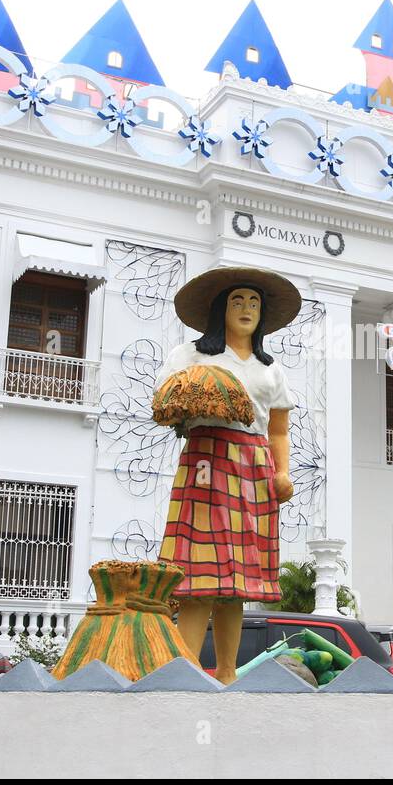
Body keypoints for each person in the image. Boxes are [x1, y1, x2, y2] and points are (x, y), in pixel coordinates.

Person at [155, 266, 301, 684]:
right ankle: (180, 670)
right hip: (207, 456)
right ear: (222, 308)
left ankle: (227, 672)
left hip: (254, 465)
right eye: (237, 301)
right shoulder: (192, 355)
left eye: (254, 303)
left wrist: (283, 472)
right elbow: (165, 399)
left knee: (236, 581)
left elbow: (278, 430)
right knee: (202, 575)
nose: (246, 309)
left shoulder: (270, 369)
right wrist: (199, 393)